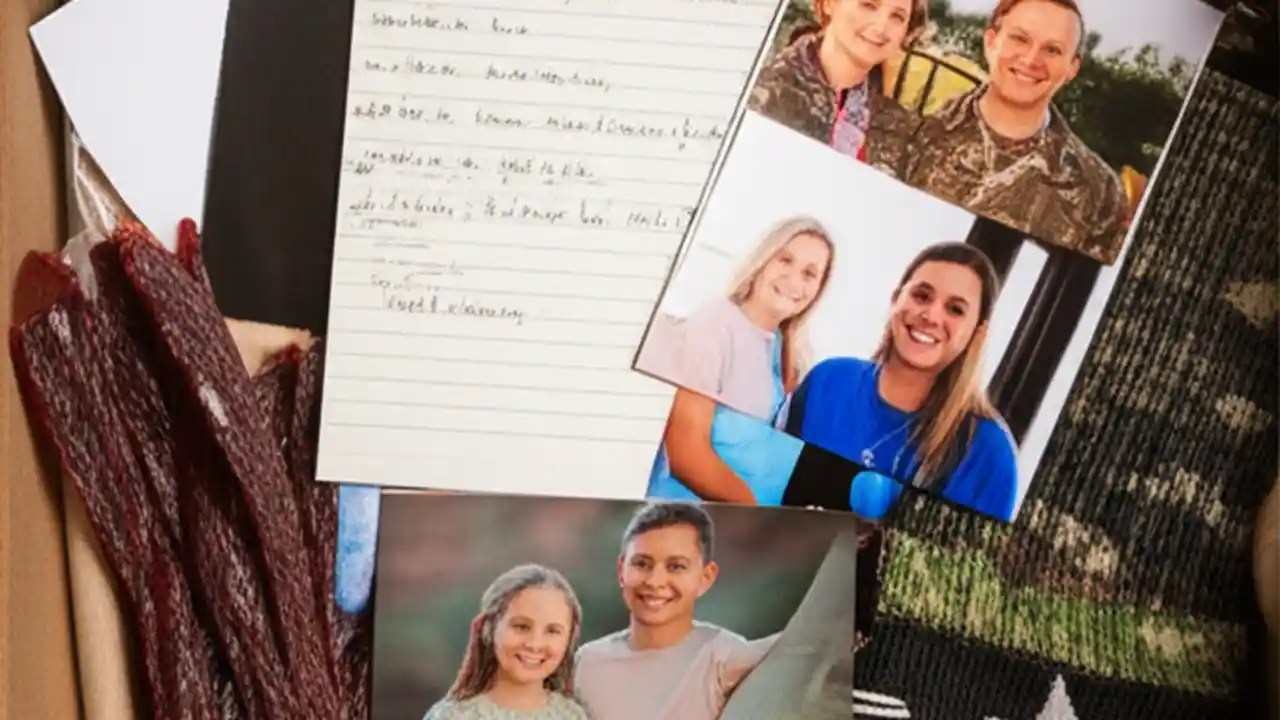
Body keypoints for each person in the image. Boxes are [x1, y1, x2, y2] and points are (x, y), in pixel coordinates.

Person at [783, 242, 1020, 521]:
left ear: (977, 333)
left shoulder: (990, 453)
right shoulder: (828, 381)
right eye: (921, 296)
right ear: (896, 298)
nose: (931, 316)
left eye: (955, 309)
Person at [884, 0, 1130, 265]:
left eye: (1052, 49)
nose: (1031, 59)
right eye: (1019, 39)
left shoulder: (1100, 192)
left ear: (1072, 68)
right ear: (990, 41)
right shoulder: (911, 135)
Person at [644, 216, 835, 504]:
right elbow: (685, 451)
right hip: (691, 514)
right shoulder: (718, 322)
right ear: (763, 260)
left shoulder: (791, 353)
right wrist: (755, 514)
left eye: (809, 274)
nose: (794, 280)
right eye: (785, 260)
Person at [574, 502, 778, 720]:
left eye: (676, 567)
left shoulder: (720, 655)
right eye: (641, 564)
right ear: (621, 570)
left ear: (705, 577)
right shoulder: (587, 662)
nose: (654, 581)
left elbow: (802, 644)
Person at [747, 0, 929, 162]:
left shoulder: (894, 129)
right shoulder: (765, 89)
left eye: (897, 17)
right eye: (868, 5)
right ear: (829, 4)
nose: (881, 27)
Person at [424, 564, 591, 720]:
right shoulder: (452, 716)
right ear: (489, 628)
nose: (534, 644)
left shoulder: (573, 715)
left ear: (569, 639)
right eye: (521, 627)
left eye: (552, 631)